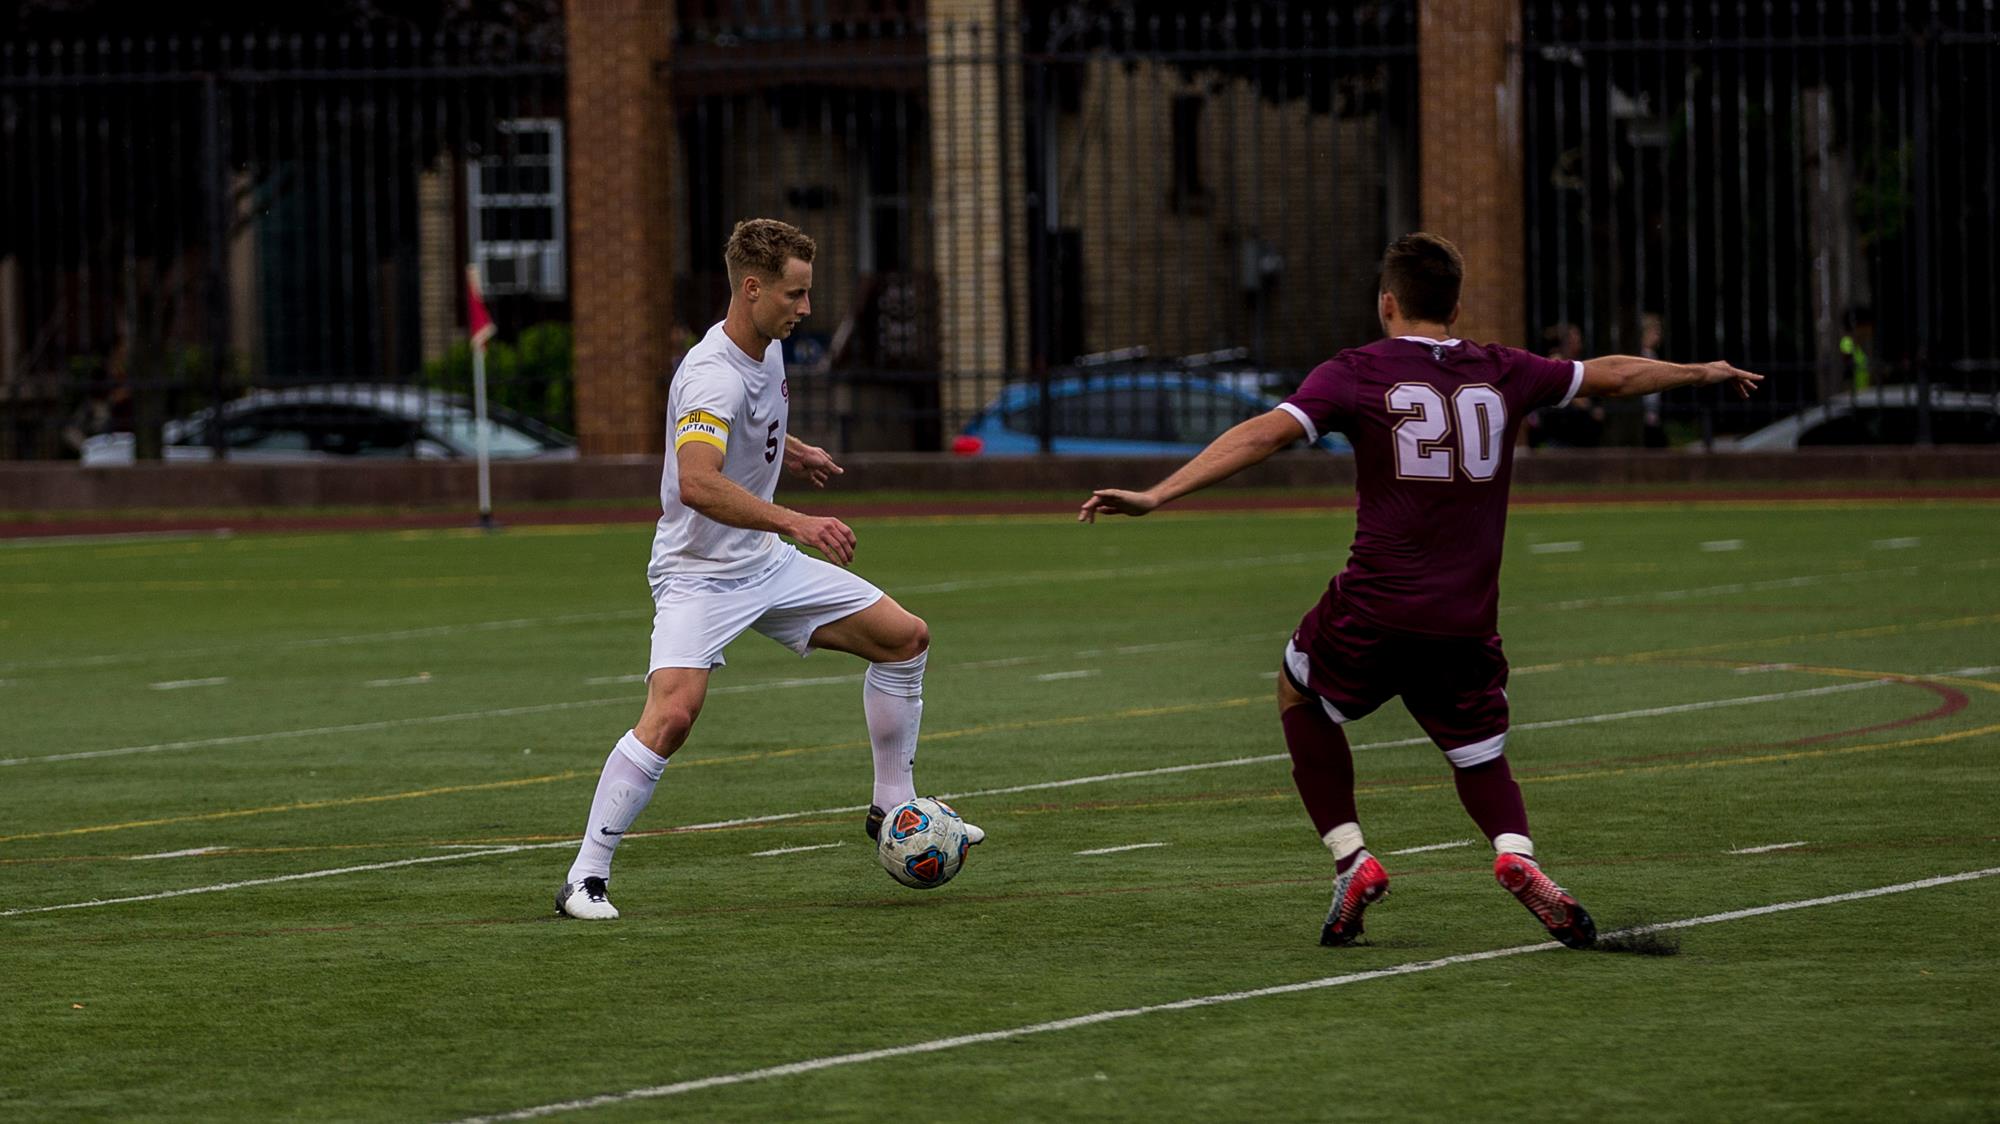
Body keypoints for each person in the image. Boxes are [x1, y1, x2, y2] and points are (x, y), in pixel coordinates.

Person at [1079, 233, 1760, 948]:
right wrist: (1700, 371)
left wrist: (1158, 494)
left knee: (1298, 691)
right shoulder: (1503, 369)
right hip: (1465, 617)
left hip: (1375, 606)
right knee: (1479, 752)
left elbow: (1265, 434)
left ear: (1387, 303)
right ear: (1456, 307)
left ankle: (1352, 861)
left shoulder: (1357, 372)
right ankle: (1516, 854)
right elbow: (1612, 376)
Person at [554, 218, 982, 921]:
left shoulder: (766, 345)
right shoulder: (710, 376)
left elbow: (749, 429)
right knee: (673, 715)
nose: (806, 308)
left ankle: (892, 807)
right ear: (751, 288)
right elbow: (698, 482)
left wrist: (794, 449)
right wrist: (796, 521)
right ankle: (585, 877)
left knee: (905, 639)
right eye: (795, 294)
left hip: (764, 562)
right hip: (698, 573)